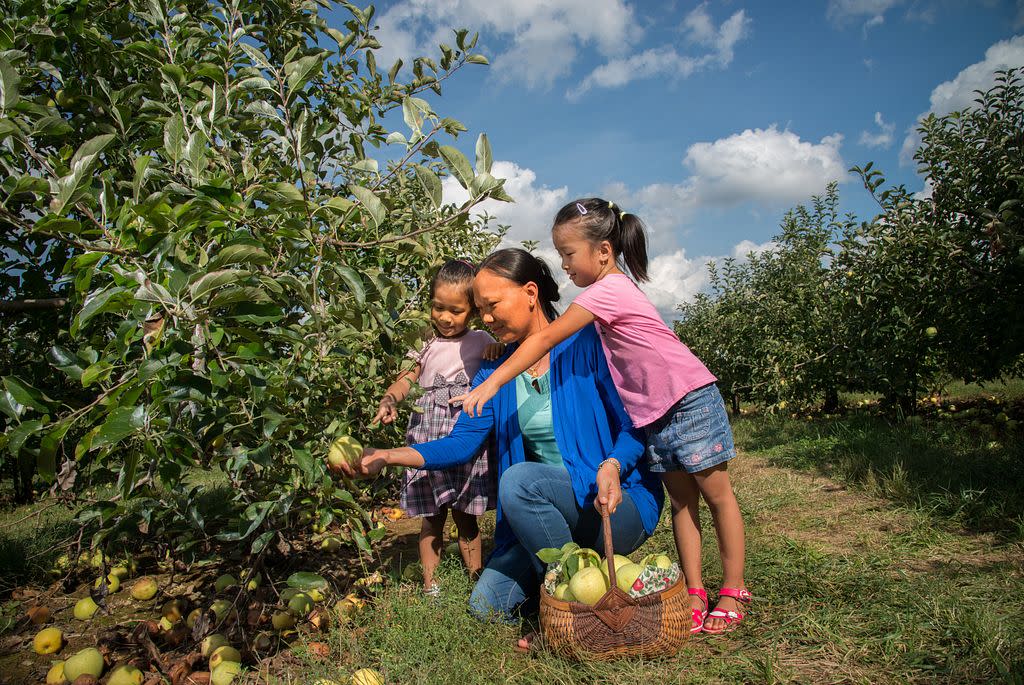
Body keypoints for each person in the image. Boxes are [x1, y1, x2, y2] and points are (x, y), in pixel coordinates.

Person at [338, 248, 663, 649]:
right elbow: (461, 443)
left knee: (520, 480)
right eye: (480, 310)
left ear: (530, 293)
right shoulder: (495, 372)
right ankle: (570, 571)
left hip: (612, 505)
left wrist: (613, 464)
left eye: (492, 306)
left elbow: (634, 423)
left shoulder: (585, 344)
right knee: (486, 604)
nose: (486, 320)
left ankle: (565, 602)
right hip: (543, 515)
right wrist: (387, 455)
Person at [456, 199, 750, 635]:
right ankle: (692, 591)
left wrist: (493, 381)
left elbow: (548, 338)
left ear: (604, 252)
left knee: (717, 496)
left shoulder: (606, 291)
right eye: (561, 255)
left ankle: (732, 589)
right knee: (684, 504)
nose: (564, 266)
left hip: (688, 399)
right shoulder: (599, 294)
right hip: (654, 410)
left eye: (569, 254)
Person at [371, 259, 497, 597]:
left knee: (466, 515)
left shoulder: (483, 339)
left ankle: (476, 579)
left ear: (472, 310)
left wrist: (496, 351)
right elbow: (406, 378)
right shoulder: (424, 341)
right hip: (427, 430)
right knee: (432, 515)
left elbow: (498, 365)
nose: (445, 317)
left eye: (455, 311)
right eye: (438, 307)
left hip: (462, 431)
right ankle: (431, 584)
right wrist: (390, 399)